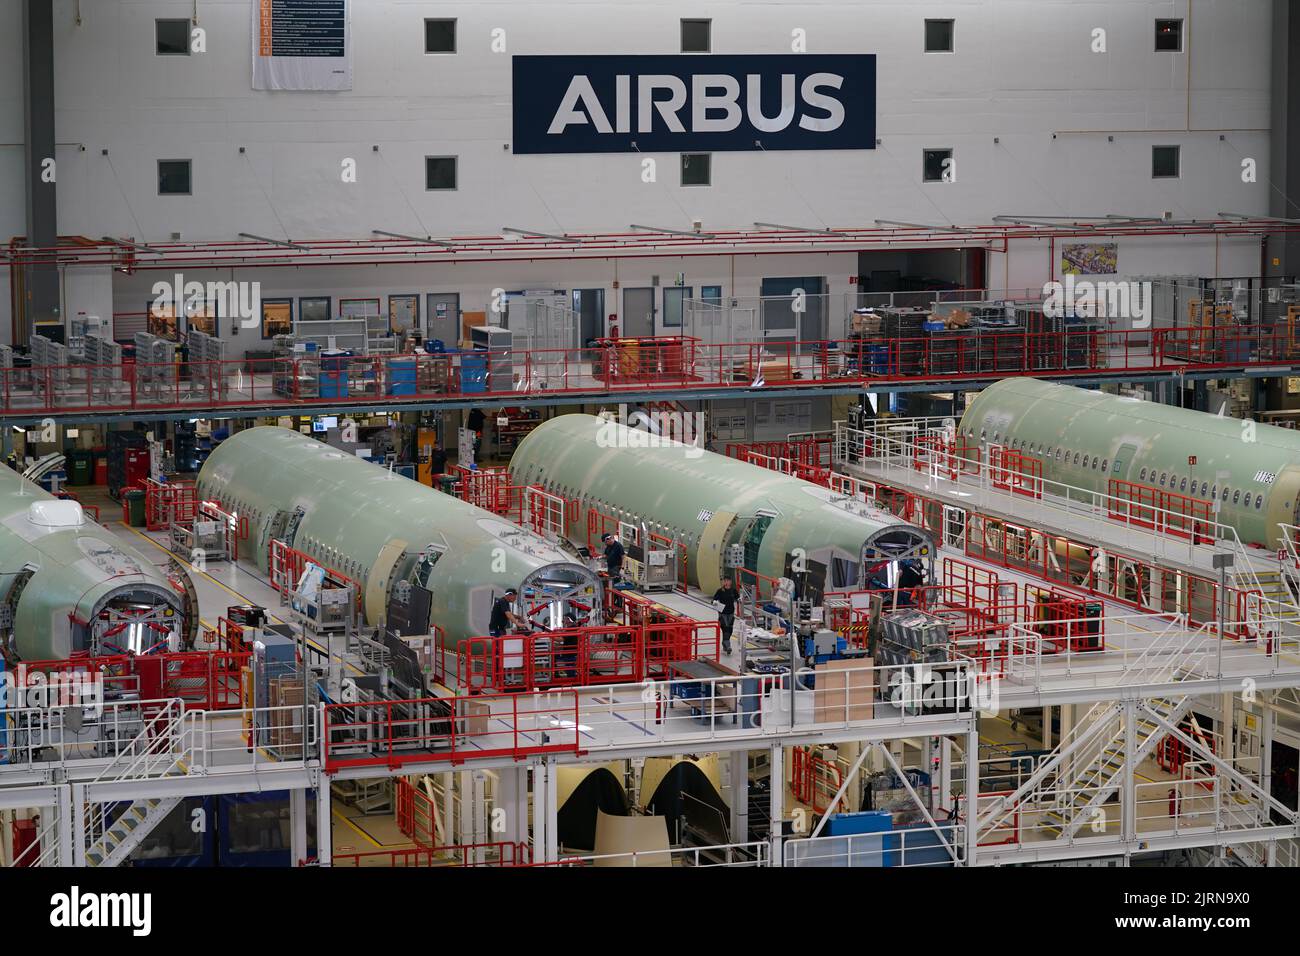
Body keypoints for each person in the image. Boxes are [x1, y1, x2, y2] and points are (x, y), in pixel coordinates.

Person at [712, 577, 739, 654]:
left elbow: (737, 598)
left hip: (730, 613)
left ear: (731, 582)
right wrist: (714, 602)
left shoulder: (733, 591)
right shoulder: (720, 591)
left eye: (728, 580)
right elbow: (714, 599)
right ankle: (728, 646)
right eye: (725, 581)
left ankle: (725, 644)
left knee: (729, 629)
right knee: (725, 628)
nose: (726, 582)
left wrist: (740, 599)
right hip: (722, 613)